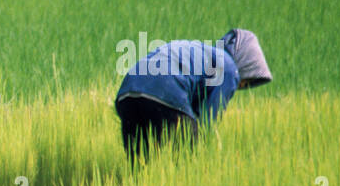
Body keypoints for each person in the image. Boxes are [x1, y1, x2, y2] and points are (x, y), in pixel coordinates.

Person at [114, 28, 272, 164]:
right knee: (187, 159)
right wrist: (204, 148)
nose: (241, 86)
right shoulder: (230, 69)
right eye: (246, 81)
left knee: (139, 164)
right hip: (166, 91)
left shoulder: (202, 55)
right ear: (244, 63)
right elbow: (208, 118)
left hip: (127, 93)